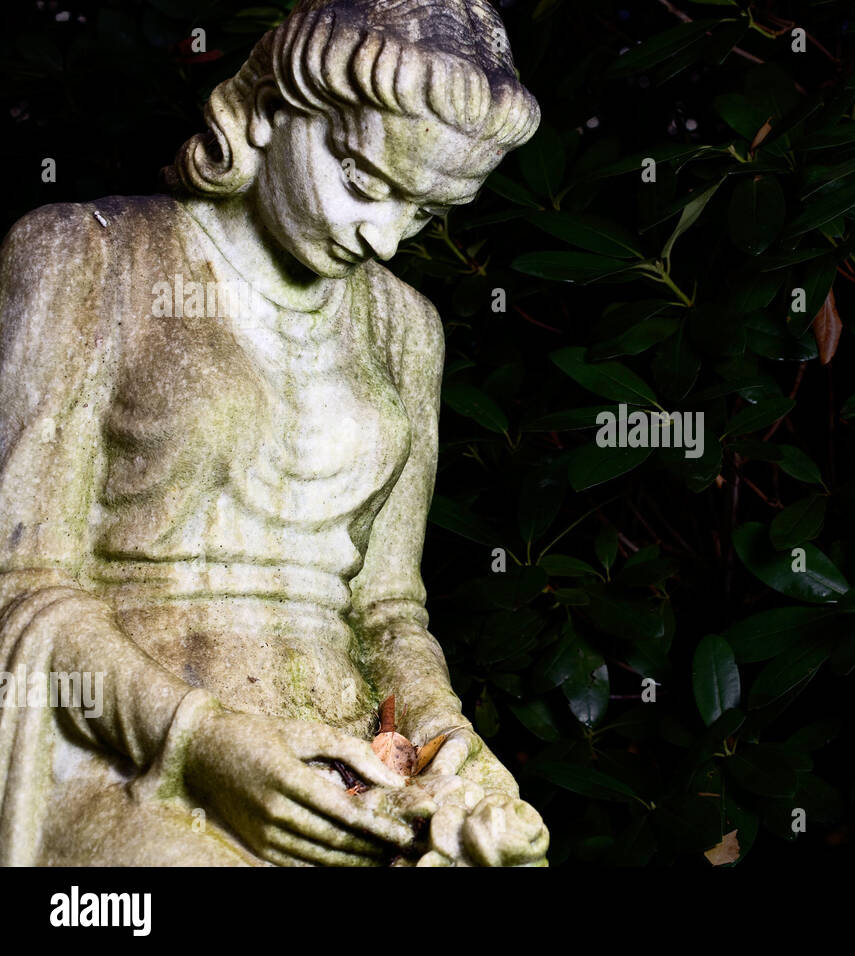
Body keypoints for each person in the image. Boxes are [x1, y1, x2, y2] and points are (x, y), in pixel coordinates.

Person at [0, 0, 545, 866]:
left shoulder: (406, 330)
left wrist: (446, 744)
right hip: (136, 758)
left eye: (425, 213)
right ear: (267, 111)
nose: (386, 237)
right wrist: (201, 744)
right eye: (367, 182)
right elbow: (24, 592)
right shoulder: (87, 257)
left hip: (360, 763)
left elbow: (390, 613)